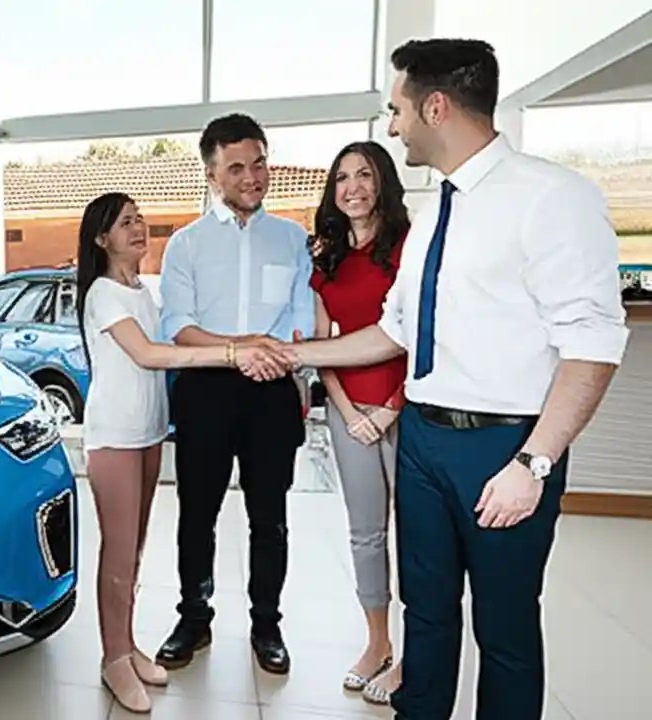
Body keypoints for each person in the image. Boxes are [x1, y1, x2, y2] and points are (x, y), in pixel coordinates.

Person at [282, 39, 628, 720]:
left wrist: (535, 461)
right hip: (422, 441)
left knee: (503, 632)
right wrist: (294, 356)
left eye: (396, 108)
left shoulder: (552, 197)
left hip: (503, 449)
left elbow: (593, 344)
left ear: (434, 106)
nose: (391, 125)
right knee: (428, 616)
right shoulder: (436, 209)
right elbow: (397, 331)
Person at [75, 192, 287, 713]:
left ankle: (127, 647)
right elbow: (151, 355)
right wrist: (233, 353)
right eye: (125, 222)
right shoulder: (102, 293)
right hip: (115, 437)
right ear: (102, 239)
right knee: (119, 554)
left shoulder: (143, 292)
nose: (138, 228)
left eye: (139, 219)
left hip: (148, 433)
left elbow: (171, 338)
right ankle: (112, 661)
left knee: (137, 551)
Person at [155, 113, 315, 675]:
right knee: (197, 513)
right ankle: (193, 618)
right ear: (212, 174)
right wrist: (243, 346)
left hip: (272, 392)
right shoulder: (186, 244)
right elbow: (179, 325)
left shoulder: (294, 239)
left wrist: (271, 353)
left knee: (268, 517)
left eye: (260, 162)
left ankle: (266, 623)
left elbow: (300, 324)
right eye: (237, 167)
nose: (253, 176)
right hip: (206, 390)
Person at [308, 140, 411, 705]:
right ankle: (378, 643)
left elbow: (422, 335)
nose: (353, 187)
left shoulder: (407, 248)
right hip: (350, 417)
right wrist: (350, 415)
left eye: (364, 175)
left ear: (382, 183)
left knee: (418, 535)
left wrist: (392, 407)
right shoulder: (324, 261)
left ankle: (416, 652)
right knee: (366, 535)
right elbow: (324, 350)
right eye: (343, 177)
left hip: (408, 408)